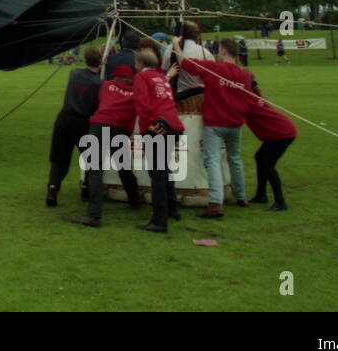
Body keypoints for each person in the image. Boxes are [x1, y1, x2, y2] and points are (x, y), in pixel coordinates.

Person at [174, 36, 251, 218]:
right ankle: (241, 196)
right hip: (236, 123)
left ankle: (215, 202)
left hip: (216, 124)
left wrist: (176, 45)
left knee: (212, 160)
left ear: (223, 51)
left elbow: (185, 63)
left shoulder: (215, 69)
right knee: (235, 159)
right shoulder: (244, 75)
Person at [69, 64, 142, 227]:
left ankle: (94, 215)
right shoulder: (135, 92)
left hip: (100, 125)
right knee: (124, 168)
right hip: (120, 129)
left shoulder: (106, 86)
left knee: (95, 170)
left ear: (114, 77)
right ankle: (135, 200)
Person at [47, 46, 104, 208]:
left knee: (59, 158)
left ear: (85, 59)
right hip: (83, 122)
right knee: (90, 158)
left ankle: (52, 189)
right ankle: (86, 188)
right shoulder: (99, 84)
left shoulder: (74, 74)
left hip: (64, 119)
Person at [133, 48, 184, 233]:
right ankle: (173, 209)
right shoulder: (162, 78)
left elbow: (142, 103)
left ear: (140, 64)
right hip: (174, 126)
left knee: (157, 174)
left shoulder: (141, 78)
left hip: (158, 127)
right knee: (165, 169)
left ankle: (159, 220)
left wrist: (148, 125)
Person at [245, 74, 296, 211]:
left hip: (281, 133)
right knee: (260, 157)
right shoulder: (253, 95)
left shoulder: (247, 98)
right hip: (281, 131)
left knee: (267, 163)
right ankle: (261, 195)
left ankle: (280, 202)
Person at [161, 20, 206, 108]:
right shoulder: (205, 52)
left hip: (175, 99)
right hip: (198, 100)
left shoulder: (169, 49)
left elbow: (164, 71)